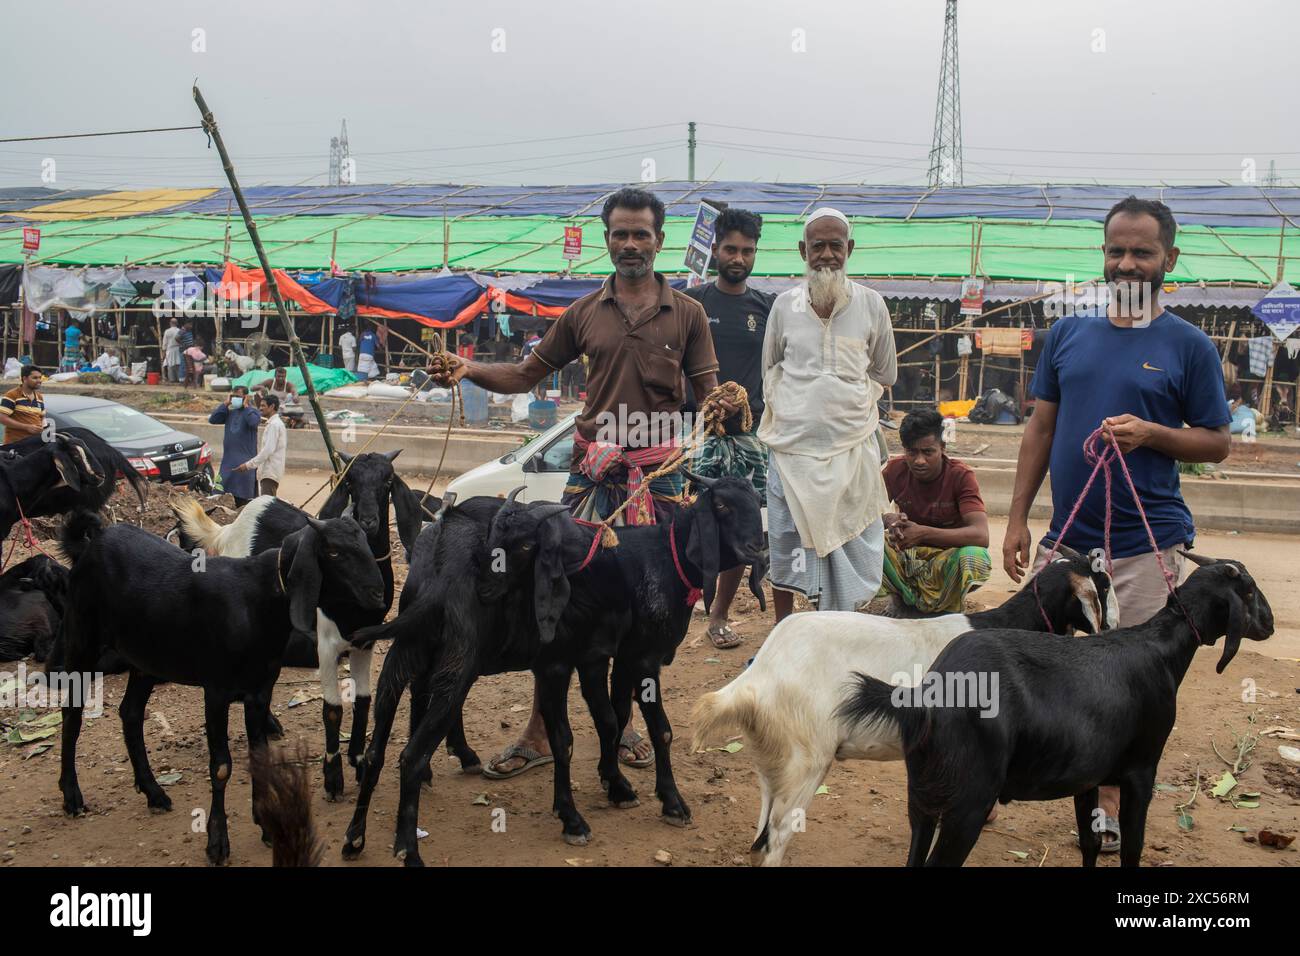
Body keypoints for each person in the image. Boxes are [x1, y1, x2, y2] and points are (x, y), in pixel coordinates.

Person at [430, 186, 728, 779]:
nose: (630, 244)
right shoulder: (583, 313)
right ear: (607, 240)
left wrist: (731, 408)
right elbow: (522, 374)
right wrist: (469, 369)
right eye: (620, 233)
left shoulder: (689, 314)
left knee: (648, 613)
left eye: (641, 233)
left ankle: (628, 728)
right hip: (591, 483)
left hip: (661, 485)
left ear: (659, 240)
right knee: (562, 605)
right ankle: (540, 733)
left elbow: (711, 398)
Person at [1003, 195, 1231, 852]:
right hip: (1067, 544)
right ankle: (996, 775)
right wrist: (1018, 520)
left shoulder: (1187, 346)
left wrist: (1154, 434)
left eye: (1142, 251)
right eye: (1116, 251)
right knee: (1041, 671)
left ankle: (1106, 807)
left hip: (1146, 548)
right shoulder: (1068, 335)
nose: (1127, 263)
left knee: (1124, 693)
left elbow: (1216, 442)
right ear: (1102, 256)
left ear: (1169, 259)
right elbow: (1039, 429)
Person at [759, 208, 897, 622]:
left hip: (852, 450)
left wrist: (844, 400)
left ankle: (837, 632)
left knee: (849, 542)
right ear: (803, 250)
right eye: (817, 245)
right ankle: (783, 634)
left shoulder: (872, 305)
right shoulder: (784, 306)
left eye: (836, 245)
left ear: (849, 249)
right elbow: (770, 368)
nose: (827, 254)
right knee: (787, 542)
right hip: (791, 451)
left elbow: (885, 371)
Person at [683, 206, 774, 648]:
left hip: (749, 437)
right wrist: (702, 402)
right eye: (731, 249)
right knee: (694, 517)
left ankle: (718, 615)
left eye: (748, 251)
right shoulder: (693, 302)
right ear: (715, 249)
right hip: (701, 433)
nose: (739, 258)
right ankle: (682, 601)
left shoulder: (766, 308)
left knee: (742, 524)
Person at [879, 407, 990, 614]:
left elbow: (981, 535)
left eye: (928, 452)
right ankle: (902, 599)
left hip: (947, 557)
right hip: (908, 555)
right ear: (905, 450)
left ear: (942, 447)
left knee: (974, 558)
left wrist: (924, 532)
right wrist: (889, 519)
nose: (919, 460)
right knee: (869, 545)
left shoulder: (960, 476)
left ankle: (947, 608)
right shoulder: (895, 470)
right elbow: (865, 514)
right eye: (912, 452)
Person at [209, 385, 262, 506]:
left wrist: (247, 407)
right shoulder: (230, 413)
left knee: (243, 499)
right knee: (219, 493)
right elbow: (213, 419)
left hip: (245, 464)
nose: (235, 399)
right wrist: (226, 403)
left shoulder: (253, 412)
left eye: (238, 396)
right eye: (233, 396)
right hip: (228, 462)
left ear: (245, 397)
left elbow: (254, 423)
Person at [235, 393, 287, 497]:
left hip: (270, 472)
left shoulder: (274, 425)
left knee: (266, 506)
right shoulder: (274, 424)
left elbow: (267, 450)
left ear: (272, 407)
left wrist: (248, 465)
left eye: (263, 406)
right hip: (269, 472)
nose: (260, 408)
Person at [1, 365, 46, 445]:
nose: (39, 380)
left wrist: (44, 425)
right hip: (16, 446)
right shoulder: (12, 395)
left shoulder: (39, 397)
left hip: (34, 444)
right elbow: (2, 418)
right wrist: (26, 427)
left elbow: (42, 417)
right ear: (24, 379)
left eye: (40, 377)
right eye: (35, 378)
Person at [161, 318, 182, 383]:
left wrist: (163, 351)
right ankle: (179, 378)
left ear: (170, 323)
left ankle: (172, 379)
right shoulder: (179, 331)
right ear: (177, 323)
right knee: (178, 364)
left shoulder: (167, 331)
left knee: (170, 365)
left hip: (170, 349)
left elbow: (164, 342)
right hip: (178, 349)